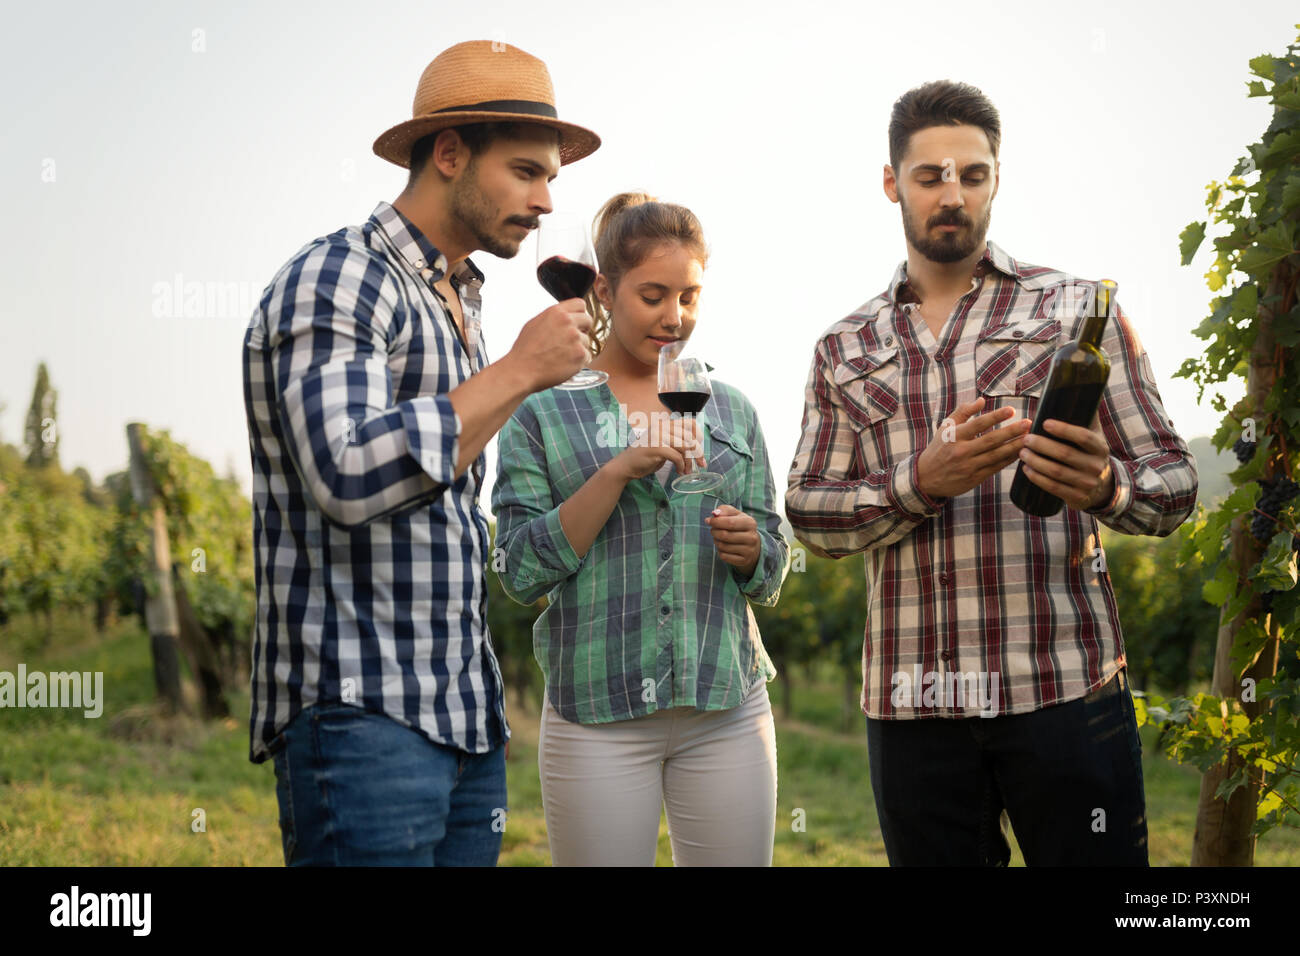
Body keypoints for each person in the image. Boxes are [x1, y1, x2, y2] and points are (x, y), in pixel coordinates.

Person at [786, 80, 1198, 866]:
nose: (953, 194)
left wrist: (1108, 485)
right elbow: (808, 510)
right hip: (913, 710)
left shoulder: (1078, 311)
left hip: (1065, 692)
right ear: (891, 183)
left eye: (973, 175)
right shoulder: (842, 346)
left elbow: (1173, 484)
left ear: (996, 180)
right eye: (930, 175)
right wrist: (922, 481)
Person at [242, 40, 601, 866]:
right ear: (448, 154)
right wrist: (518, 371)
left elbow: (448, 496)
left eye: (552, 178)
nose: (547, 200)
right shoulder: (340, 277)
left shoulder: (461, 299)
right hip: (361, 712)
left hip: (463, 711)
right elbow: (346, 472)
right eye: (526, 171)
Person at [491, 193, 789, 866]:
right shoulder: (543, 410)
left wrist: (751, 552)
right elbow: (519, 571)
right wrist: (616, 473)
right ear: (605, 288)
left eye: (689, 296)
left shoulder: (731, 410)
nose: (674, 317)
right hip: (597, 717)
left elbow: (773, 566)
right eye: (653, 295)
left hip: (726, 709)